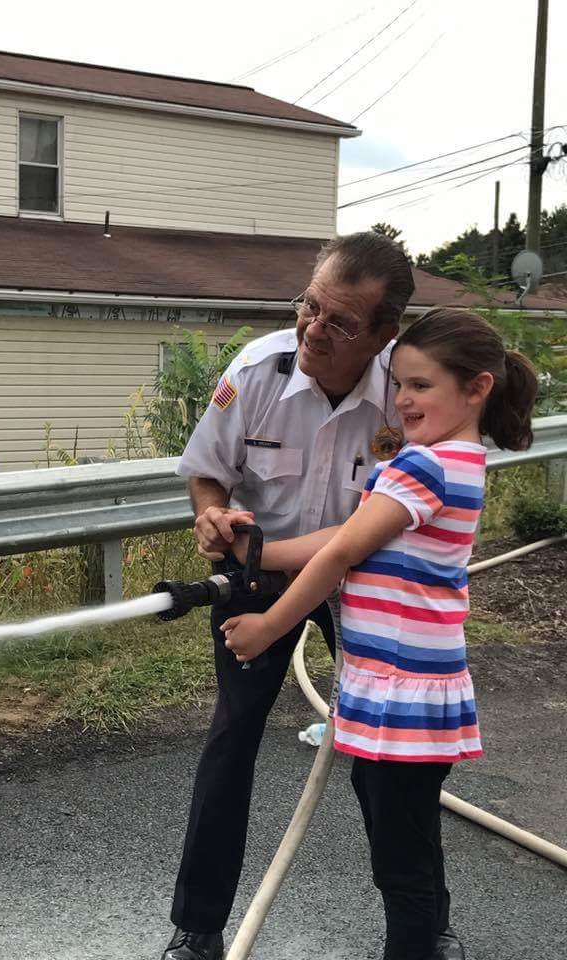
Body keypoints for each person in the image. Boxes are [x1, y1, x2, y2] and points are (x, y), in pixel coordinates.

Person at [220, 308, 538, 960]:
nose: (402, 400)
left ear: (476, 388)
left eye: (421, 386)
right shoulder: (454, 461)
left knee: (401, 858)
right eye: (399, 385)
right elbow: (350, 539)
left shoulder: (426, 467)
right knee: (406, 839)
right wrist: (262, 551)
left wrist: (268, 625)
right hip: (408, 685)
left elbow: (338, 555)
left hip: (403, 691)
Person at [161, 232, 416, 960]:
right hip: (259, 570)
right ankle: (197, 927)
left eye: (339, 323)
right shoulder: (259, 370)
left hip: (366, 580)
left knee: (384, 751)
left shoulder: (411, 389)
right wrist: (211, 514)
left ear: (383, 334)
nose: (312, 331)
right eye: (309, 307)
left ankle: (419, 925)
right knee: (232, 739)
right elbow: (208, 471)